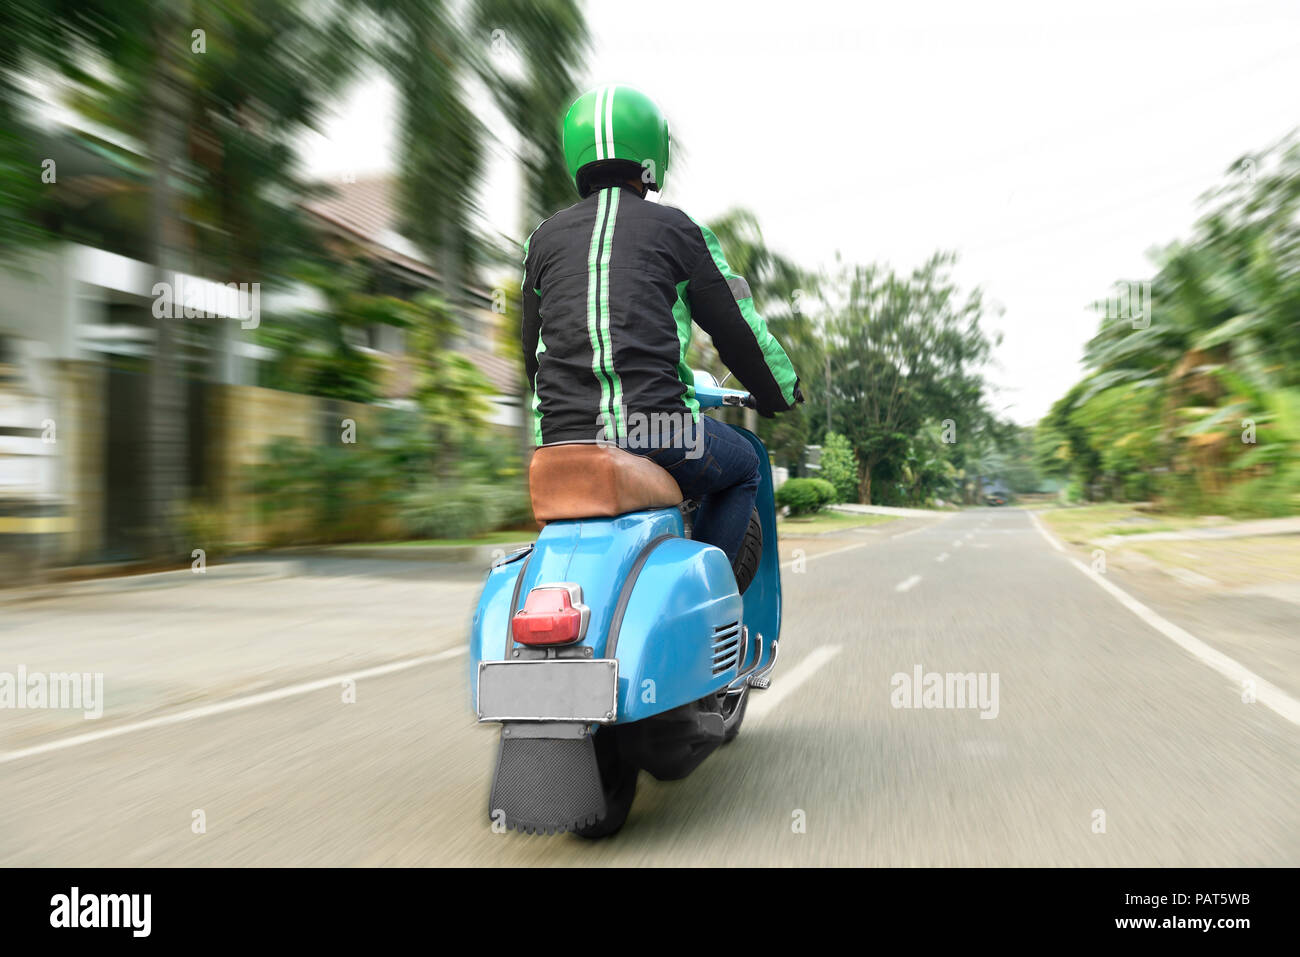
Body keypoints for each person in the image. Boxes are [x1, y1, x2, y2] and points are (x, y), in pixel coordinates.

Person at [520, 85, 801, 572]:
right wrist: (777, 390)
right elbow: (738, 332)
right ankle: (705, 593)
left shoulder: (541, 242)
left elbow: (532, 356)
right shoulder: (679, 231)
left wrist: (562, 420)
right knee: (744, 467)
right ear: (652, 152)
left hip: (559, 443)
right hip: (657, 430)